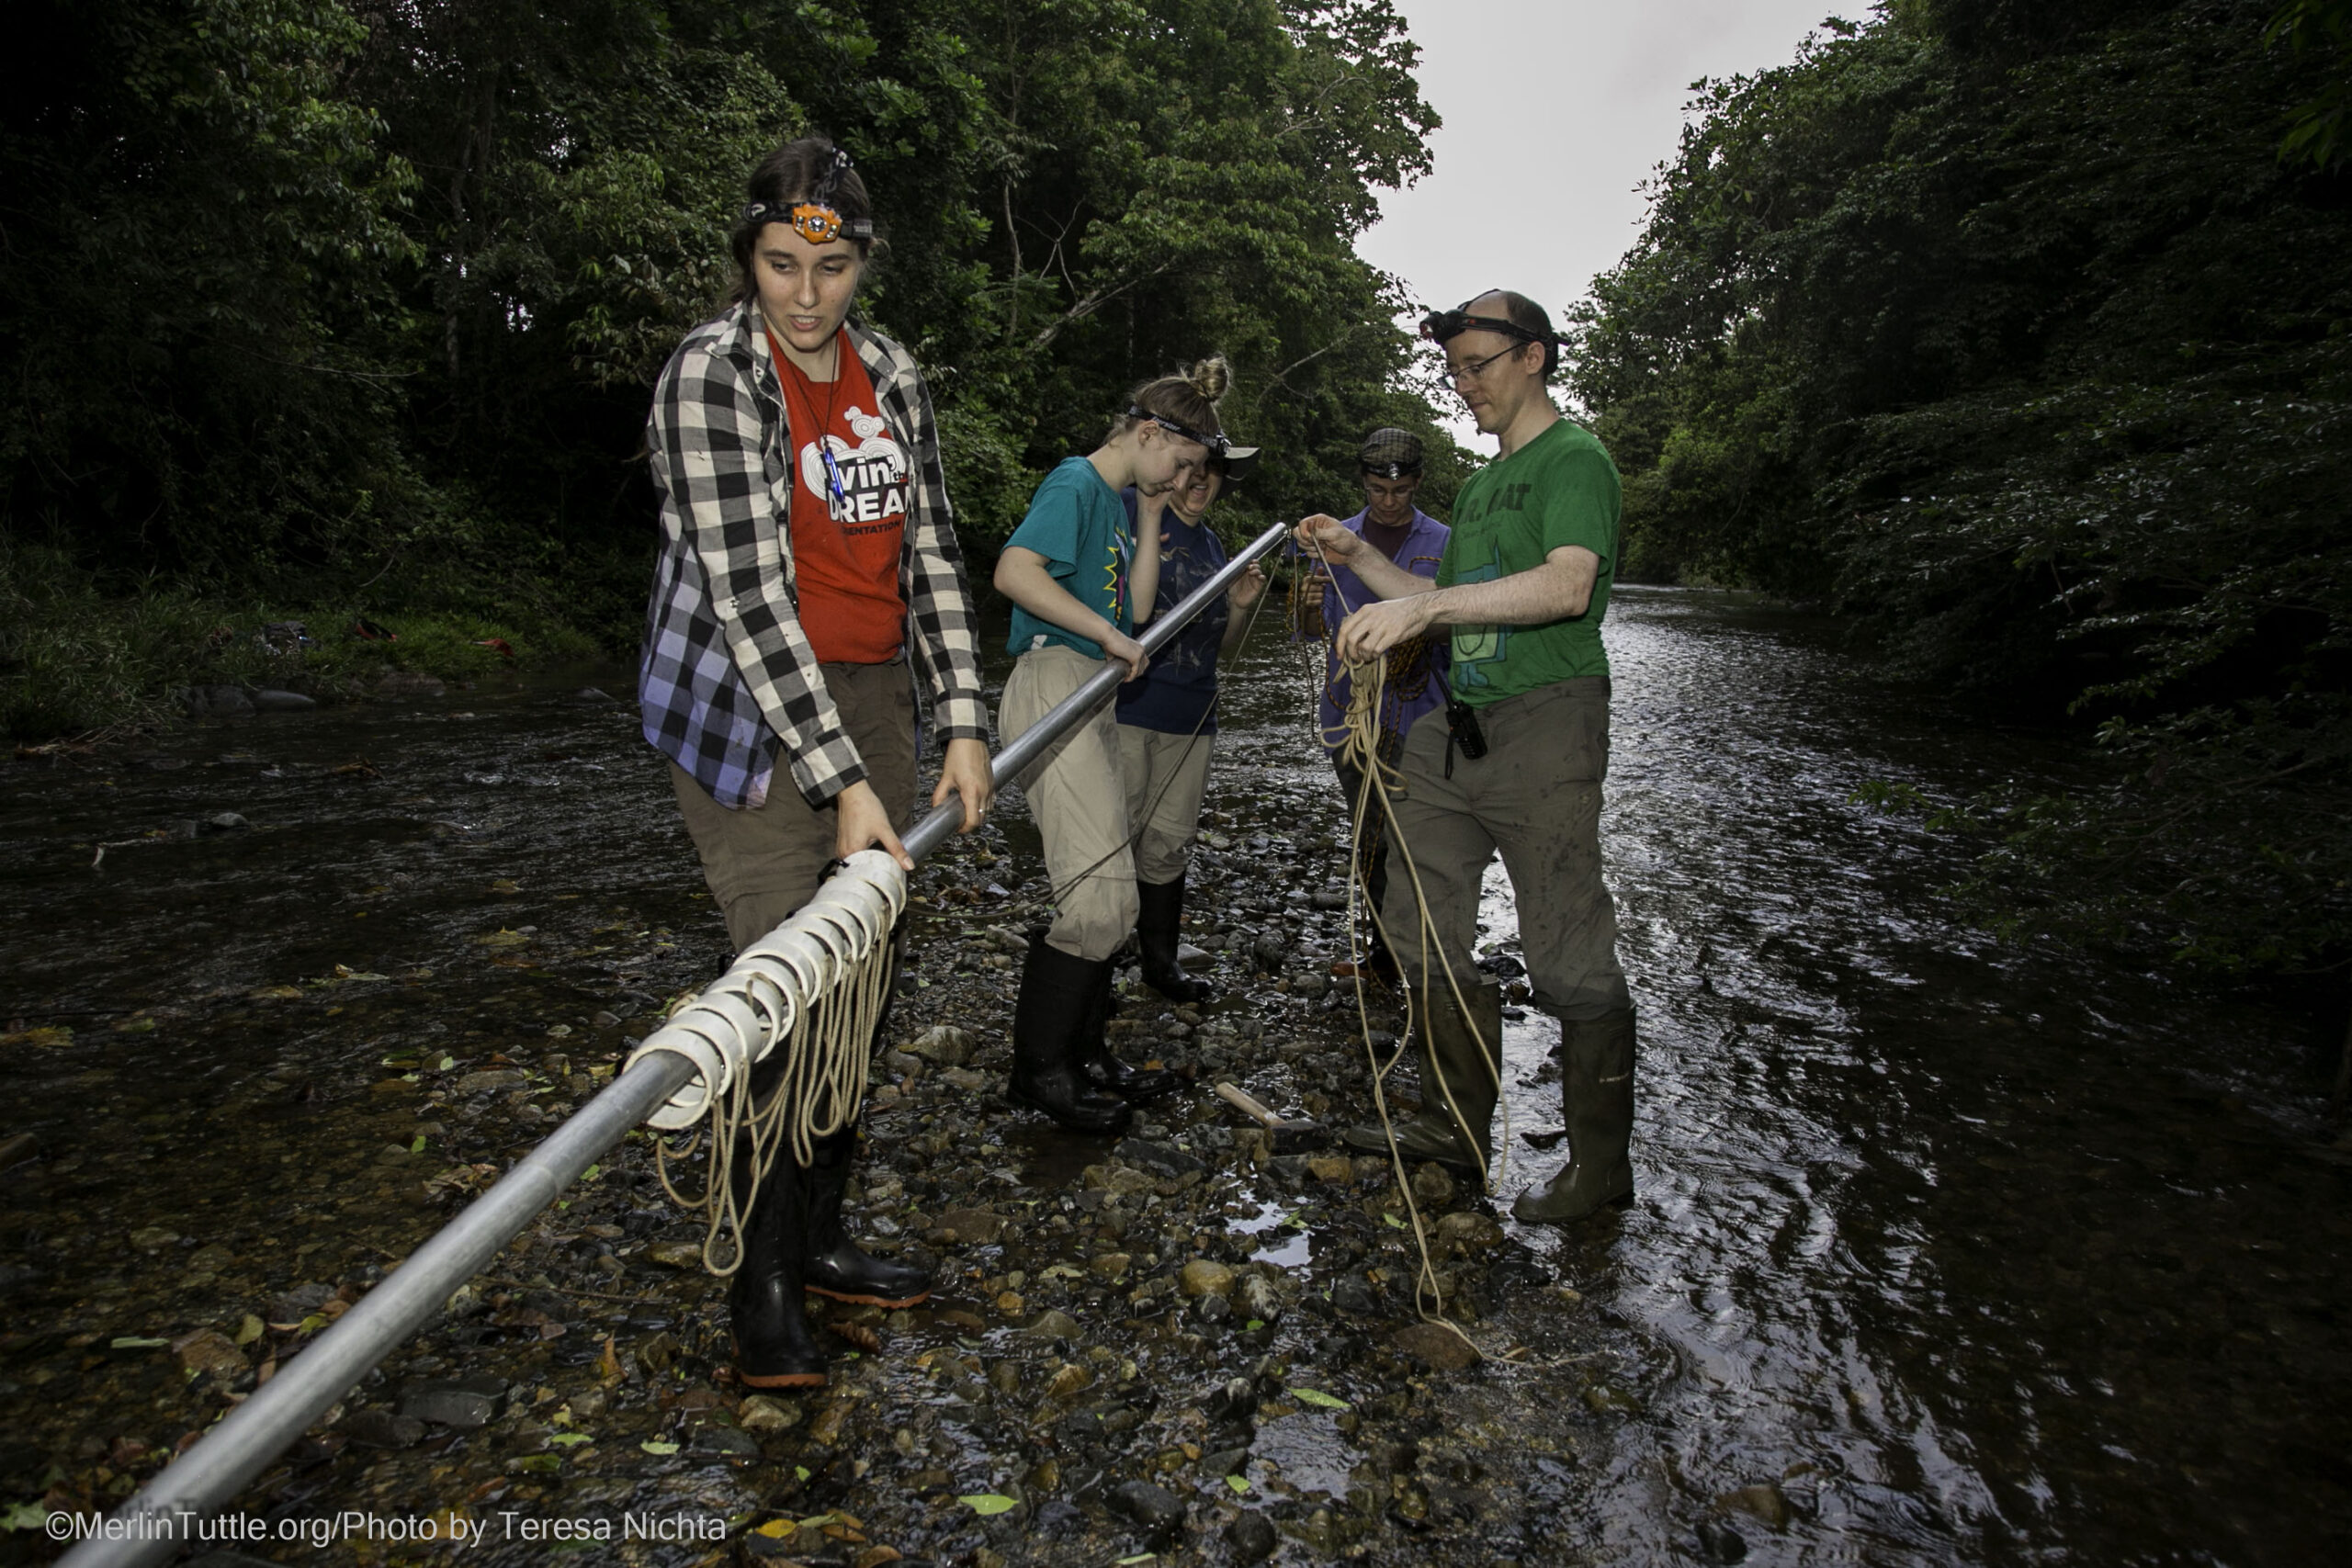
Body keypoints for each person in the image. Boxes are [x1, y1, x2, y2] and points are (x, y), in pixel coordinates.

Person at [639, 137, 995, 1387]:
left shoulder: (891, 372)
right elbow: (746, 597)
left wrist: (963, 720)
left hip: (875, 687)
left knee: (866, 970)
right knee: (785, 986)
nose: (805, 293)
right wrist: (843, 780)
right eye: (782, 264)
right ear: (749, 259)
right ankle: (764, 1283)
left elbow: (934, 554)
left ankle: (828, 1234)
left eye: (831, 266)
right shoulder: (706, 375)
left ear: (860, 266)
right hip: (744, 706)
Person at [1295, 290, 1636, 1225]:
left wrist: (1427, 612)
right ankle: (1455, 1122)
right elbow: (1427, 593)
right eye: (1452, 368)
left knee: (1564, 956)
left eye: (1477, 364)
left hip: (1549, 722)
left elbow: (1568, 586)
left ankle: (1600, 1164)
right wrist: (1354, 552)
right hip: (1460, 729)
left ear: (1532, 357)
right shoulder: (1483, 486)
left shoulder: (1575, 460)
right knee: (1411, 922)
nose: (1462, 384)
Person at [993, 358, 1230, 1135]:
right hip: (1053, 681)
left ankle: (1086, 1052)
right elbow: (1014, 571)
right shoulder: (1074, 483)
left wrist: (1155, 517)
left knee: (1117, 891)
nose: (1184, 477)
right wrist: (1100, 635)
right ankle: (1040, 1073)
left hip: (1093, 686)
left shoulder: (1123, 505)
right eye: (1181, 463)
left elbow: (1132, 607)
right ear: (1147, 431)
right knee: (1096, 896)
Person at [1114, 437, 1266, 1023]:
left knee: (1169, 843)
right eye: (1193, 470)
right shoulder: (1131, 511)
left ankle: (1160, 963)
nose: (1201, 483)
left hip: (1194, 716)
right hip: (1126, 711)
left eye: (1214, 474)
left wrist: (1244, 604)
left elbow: (1217, 646)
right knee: (1111, 840)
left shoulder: (1214, 545)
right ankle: (1092, 963)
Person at [1295, 427, 1450, 987]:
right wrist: (1310, 608)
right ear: (1363, 482)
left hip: (1424, 718)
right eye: (1379, 490)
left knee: (1418, 840)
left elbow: (1457, 630)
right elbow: (1312, 633)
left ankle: (1425, 955)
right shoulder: (1330, 541)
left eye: (1402, 491)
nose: (1389, 500)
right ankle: (1383, 958)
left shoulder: (1447, 543)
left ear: (1416, 484)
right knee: (1370, 838)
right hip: (1350, 720)